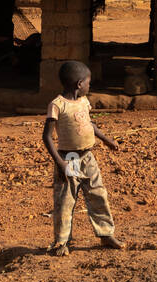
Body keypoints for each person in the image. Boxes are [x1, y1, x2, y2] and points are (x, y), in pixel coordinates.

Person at [42, 60, 124, 256]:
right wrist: (60, 163)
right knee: (66, 200)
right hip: (69, 157)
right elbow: (46, 137)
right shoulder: (57, 105)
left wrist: (106, 139)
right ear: (79, 84)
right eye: (89, 82)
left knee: (98, 194)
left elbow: (90, 124)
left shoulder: (83, 102)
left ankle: (106, 234)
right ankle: (61, 242)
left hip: (88, 156)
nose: (90, 86)